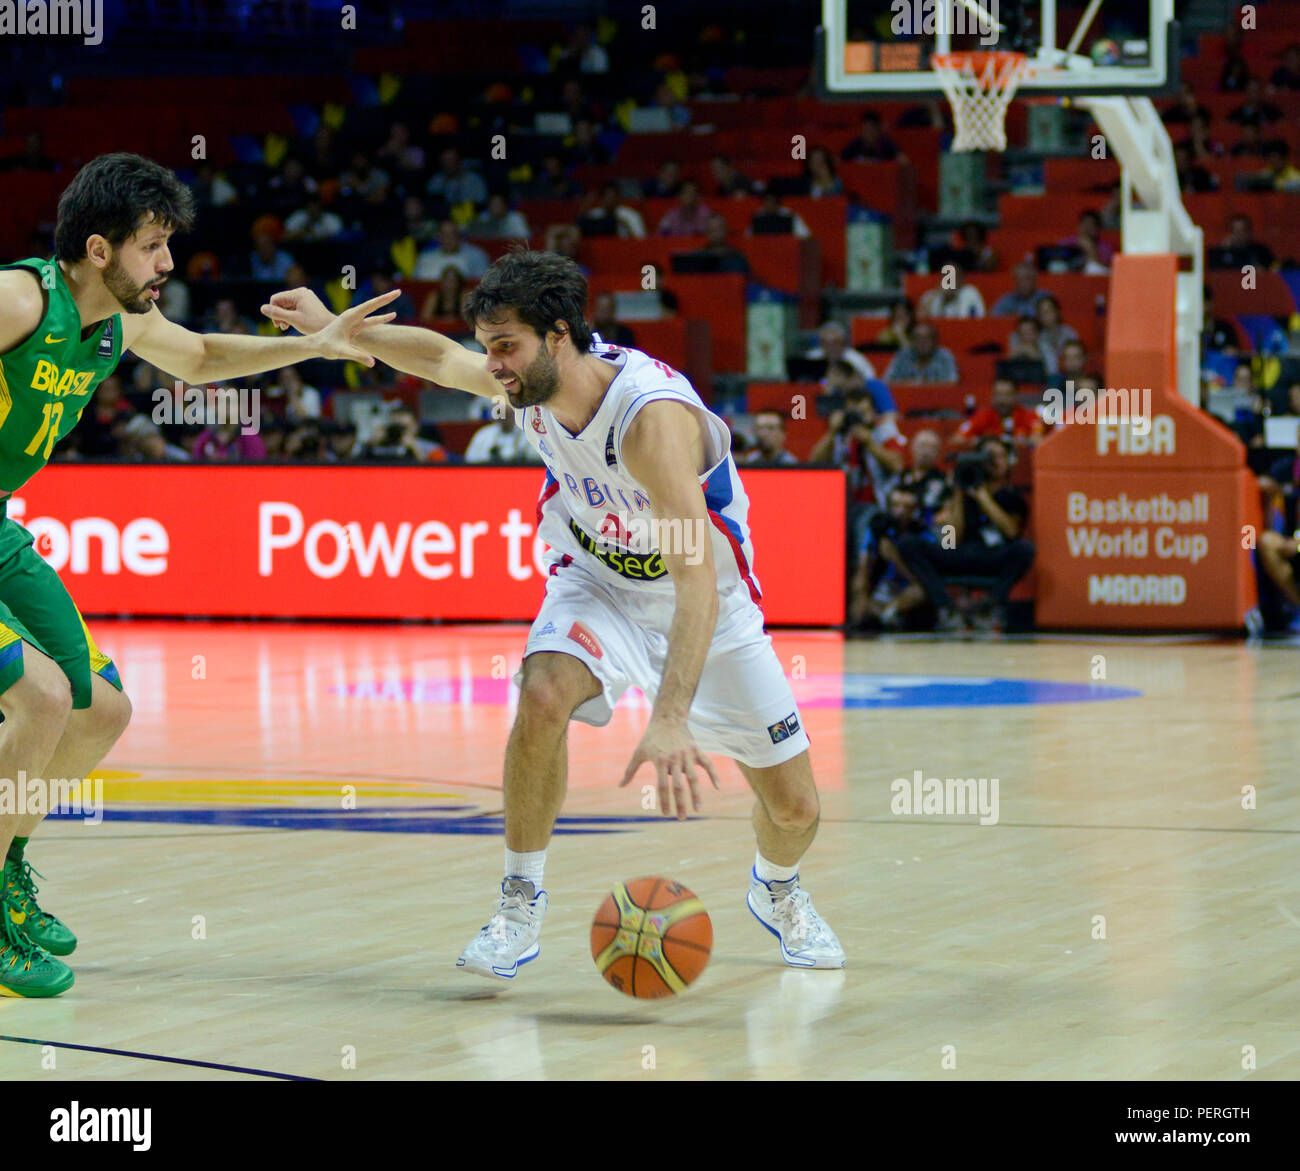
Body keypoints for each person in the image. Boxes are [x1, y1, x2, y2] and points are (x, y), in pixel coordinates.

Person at [263, 250, 845, 975]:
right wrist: (334, 331)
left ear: (560, 333)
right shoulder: (528, 380)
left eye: (506, 345)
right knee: (541, 692)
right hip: (595, 580)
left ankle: (778, 888)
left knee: (795, 809)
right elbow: (442, 359)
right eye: (490, 346)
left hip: (703, 606)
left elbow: (696, 581)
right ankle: (518, 905)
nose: (493, 363)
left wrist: (668, 718)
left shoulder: (651, 423)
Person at [0, 152, 396, 997]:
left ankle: (7, 870)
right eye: (154, 245)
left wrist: (315, 346)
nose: (169, 264)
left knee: (100, 706)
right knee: (34, 695)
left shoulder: (116, 323)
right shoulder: (21, 298)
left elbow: (206, 357)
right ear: (100, 249)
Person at [895, 436, 1035, 633]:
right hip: (958, 553)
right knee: (908, 543)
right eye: (988, 456)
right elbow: (949, 539)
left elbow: (1011, 532)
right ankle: (946, 606)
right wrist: (959, 494)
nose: (994, 462)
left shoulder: (1011, 497)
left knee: (1025, 549)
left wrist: (983, 497)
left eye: (999, 456)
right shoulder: (954, 492)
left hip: (991, 555)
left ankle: (989, 606)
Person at [954, 377, 1047, 449]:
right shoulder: (983, 416)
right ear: (992, 396)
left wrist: (1024, 443)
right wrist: (979, 442)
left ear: (1016, 396)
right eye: (998, 395)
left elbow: (1039, 441)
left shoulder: (1029, 416)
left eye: (1007, 395)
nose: (1002, 400)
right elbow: (956, 440)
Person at [883, 321, 959, 383]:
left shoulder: (944, 356)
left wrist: (920, 383)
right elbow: (887, 381)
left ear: (935, 341)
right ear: (912, 341)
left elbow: (952, 382)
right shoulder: (903, 356)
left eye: (927, 338)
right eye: (918, 338)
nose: (922, 342)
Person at [917, 262, 986, 319]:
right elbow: (920, 318)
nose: (949, 281)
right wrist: (937, 296)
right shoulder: (930, 296)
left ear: (962, 279)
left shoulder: (970, 293)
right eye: (946, 276)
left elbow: (979, 319)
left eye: (954, 276)